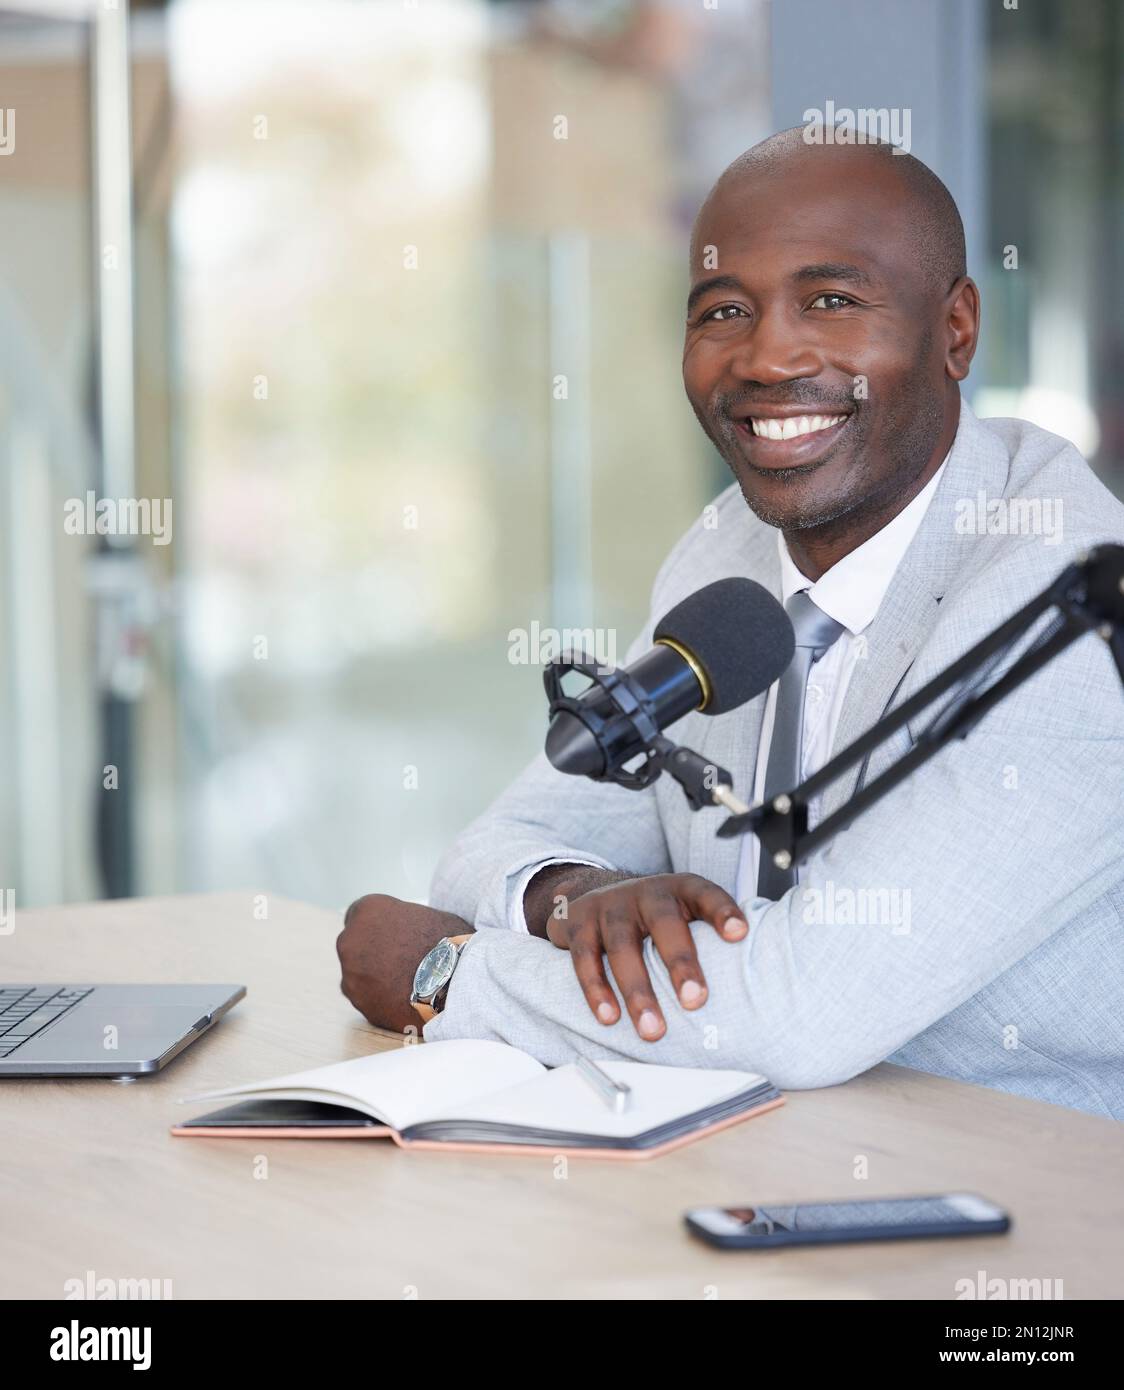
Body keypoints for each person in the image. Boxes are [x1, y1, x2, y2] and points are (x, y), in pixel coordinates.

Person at [338, 129, 1124, 1120]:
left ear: (955, 329)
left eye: (830, 301)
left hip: (1015, 1203)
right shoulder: (727, 551)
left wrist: (446, 977)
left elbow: (797, 1013)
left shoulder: (1064, 603)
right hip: (740, 1154)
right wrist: (575, 895)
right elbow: (505, 840)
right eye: (722, 312)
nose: (764, 356)